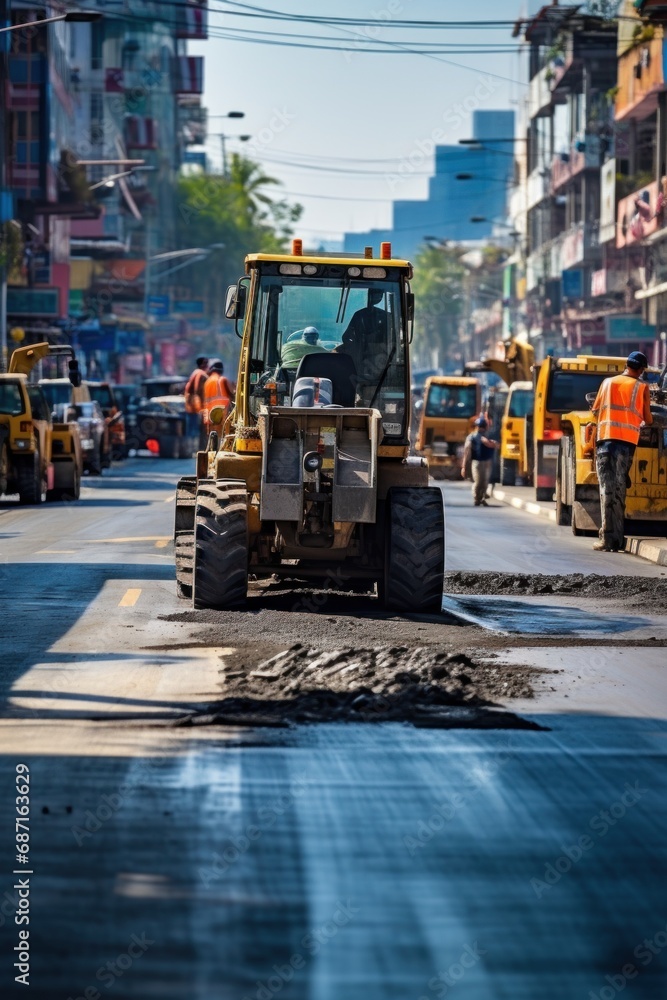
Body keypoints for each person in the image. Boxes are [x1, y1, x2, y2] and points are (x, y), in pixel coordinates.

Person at [590, 350, 653, 552]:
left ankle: (608, 539)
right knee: (618, 490)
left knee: (606, 490)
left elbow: (595, 410)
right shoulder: (642, 387)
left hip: (605, 442)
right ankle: (615, 539)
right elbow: (648, 419)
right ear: (641, 369)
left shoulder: (607, 383)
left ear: (626, 365)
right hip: (626, 445)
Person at [462, 417, 500, 506]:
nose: (481, 429)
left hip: (487, 462)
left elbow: (497, 445)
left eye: (482, 426)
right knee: (478, 481)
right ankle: (477, 498)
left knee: (485, 481)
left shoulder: (489, 436)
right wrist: (464, 466)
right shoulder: (472, 437)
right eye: (479, 426)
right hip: (477, 462)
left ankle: (482, 497)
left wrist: (491, 443)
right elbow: (467, 451)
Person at [203, 359, 236, 438]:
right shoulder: (222, 380)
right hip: (222, 414)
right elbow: (233, 395)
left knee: (212, 438)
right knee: (222, 438)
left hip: (210, 416)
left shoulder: (207, 382)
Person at [184, 355, 208, 448]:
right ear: (201, 364)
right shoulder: (200, 373)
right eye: (205, 363)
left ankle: (191, 447)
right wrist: (201, 405)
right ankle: (192, 448)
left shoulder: (196, 372)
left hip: (192, 406)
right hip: (195, 407)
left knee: (192, 428)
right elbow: (197, 389)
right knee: (194, 429)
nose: (207, 365)